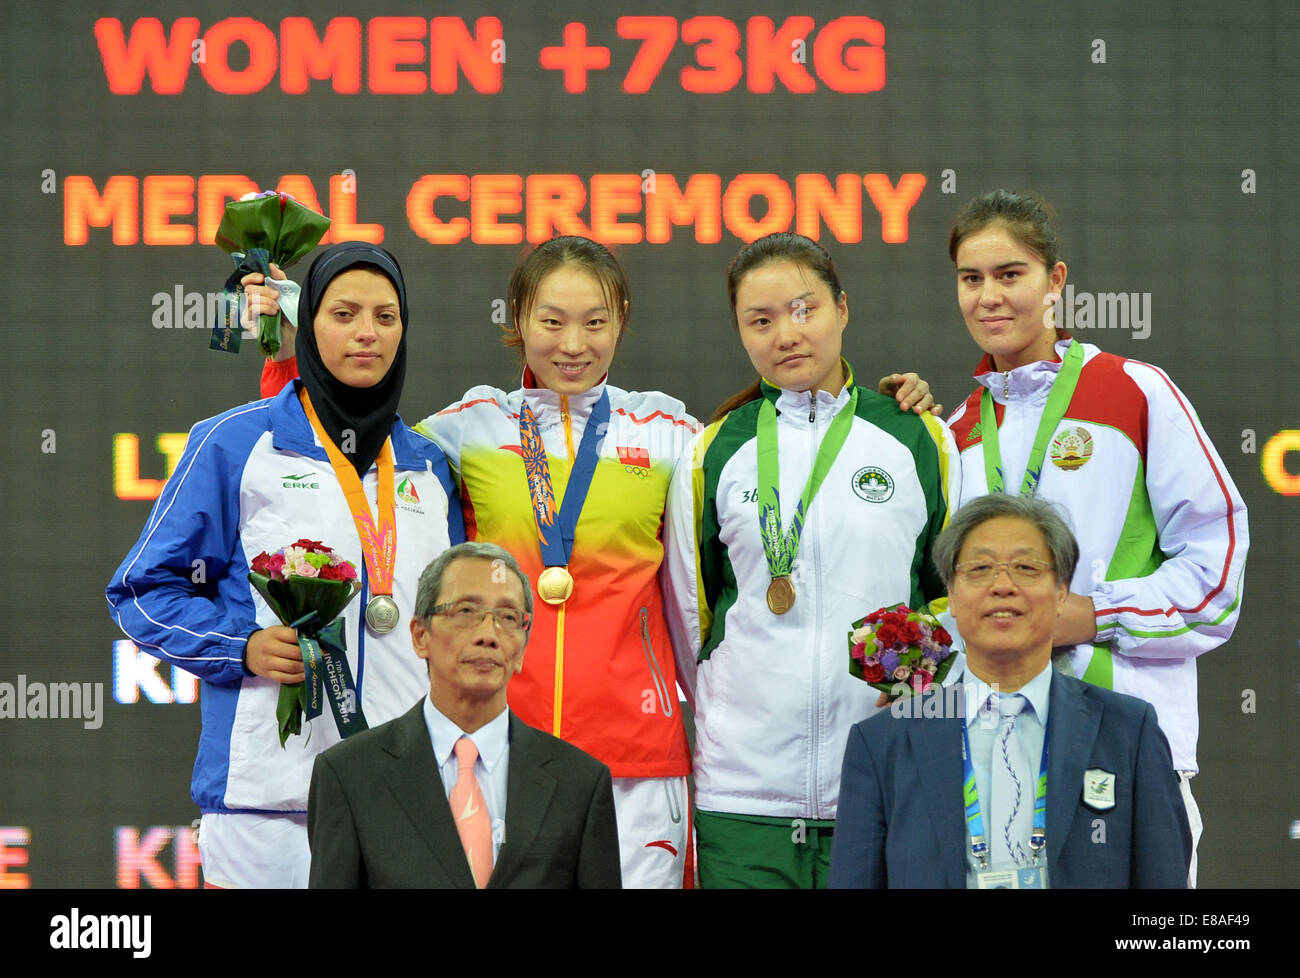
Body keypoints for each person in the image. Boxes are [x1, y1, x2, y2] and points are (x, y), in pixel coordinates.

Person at [255, 235, 936, 887]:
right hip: (500, 750)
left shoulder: (672, 434)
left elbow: (781, 470)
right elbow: (342, 450)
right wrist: (291, 358)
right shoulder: (468, 428)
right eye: (551, 321)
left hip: (635, 756)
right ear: (519, 319)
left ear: (622, 322)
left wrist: (892, 409)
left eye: (594, 321)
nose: (572, 344)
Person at [107, 243, 463, 888]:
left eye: (387, 317)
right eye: (344, 313)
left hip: (406, 797)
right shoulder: (237, 443)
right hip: (267, 802)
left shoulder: (428, 466)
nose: (366, 333)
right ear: (308, 322)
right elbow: (140, 591)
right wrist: (240, 647)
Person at [943, 190, 1248, 885]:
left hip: (1130, 744)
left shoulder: (1135, 391)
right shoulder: (952, 431)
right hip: (987, 746)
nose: (989, 296)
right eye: (971, 278)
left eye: (1010, 274)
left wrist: (1092, 614)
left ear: (1055, 281)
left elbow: (1217, 570)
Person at [662, 232, 959, 888]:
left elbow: (944, 596)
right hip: (744, 796)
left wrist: (901, 702)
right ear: (739, 332)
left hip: (884, 786)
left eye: (805, 310)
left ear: (843, 308)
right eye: (760, 321)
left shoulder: (916, 436)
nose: (786, 335)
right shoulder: (713, 451)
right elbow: (694, 621)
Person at [828, 493, 1192, 888]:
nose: (1003, 585)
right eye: (980, 568)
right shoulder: (883, 741)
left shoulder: (1128, 731)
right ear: (950, 594)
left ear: (1061, 593)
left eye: (1026, 567)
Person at [307, 541, 621, 888]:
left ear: (522, 649)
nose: (488, 635)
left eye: (508, 618)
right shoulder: (349, 776)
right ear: (420, 635)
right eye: (466, 612)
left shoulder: (581, 784)